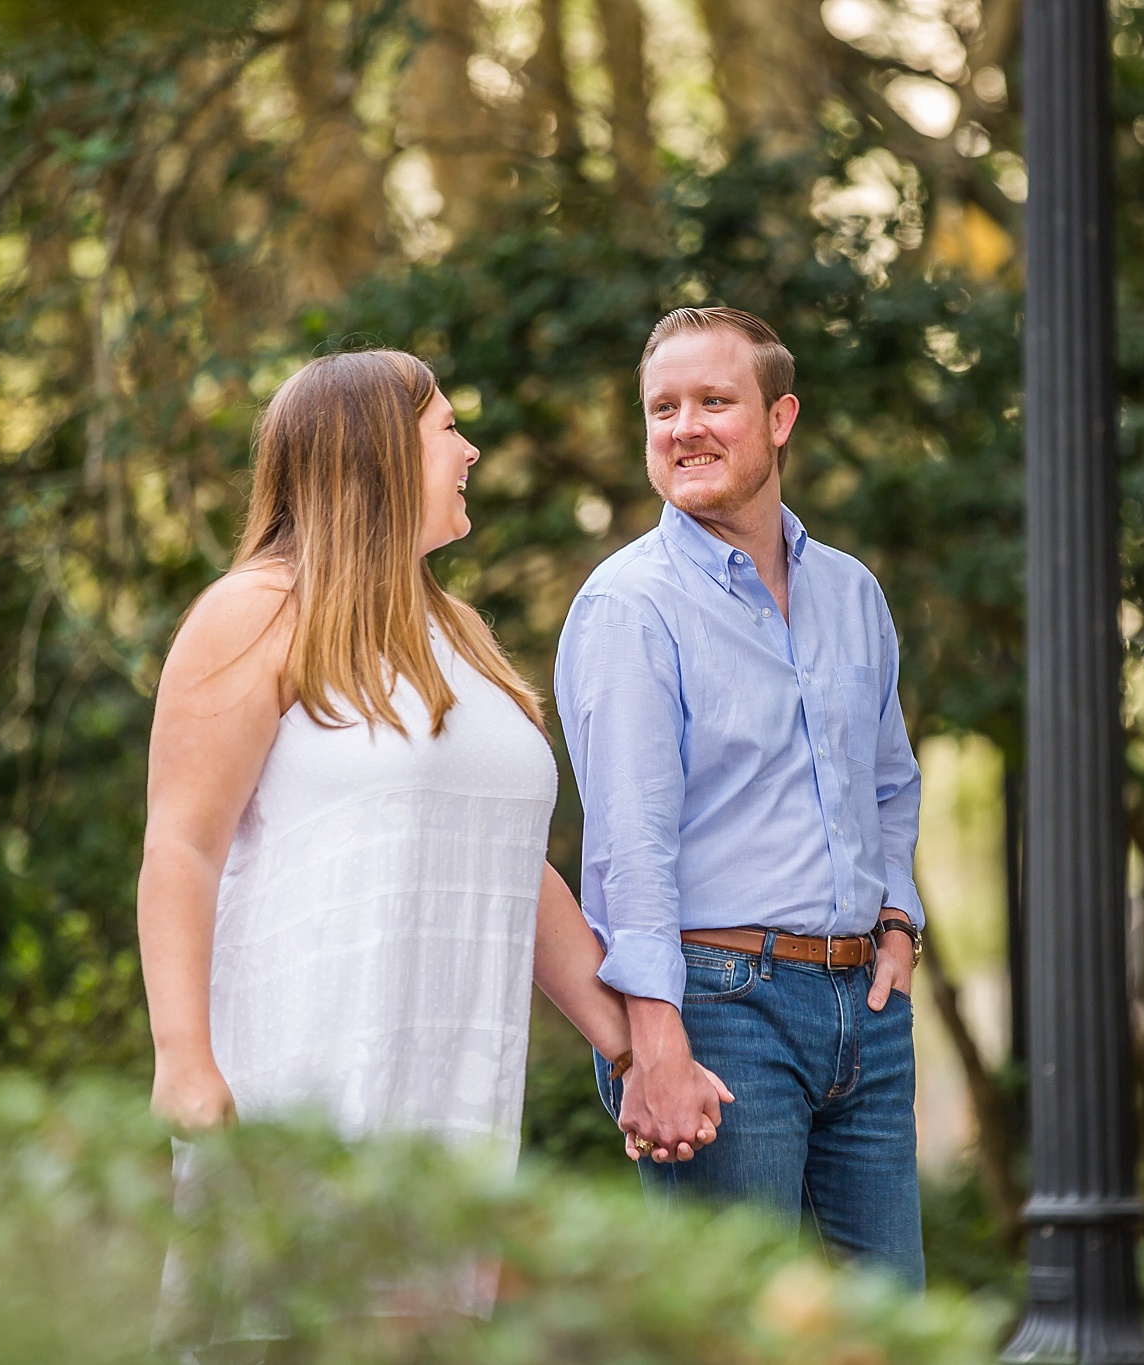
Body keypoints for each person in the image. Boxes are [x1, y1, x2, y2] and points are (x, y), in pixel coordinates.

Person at [135, 350, 729, 1335]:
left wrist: (632, 1049)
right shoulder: (253, 613)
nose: (471, 450)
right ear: (374, 454)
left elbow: (510, 866)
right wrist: (183, 1059)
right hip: (298, 1099)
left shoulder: (453, 631)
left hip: (446, 1117)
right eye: (447, 430)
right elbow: (180, 850)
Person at [555, 307, 928, 1287]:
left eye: (713, 402)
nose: (683, 428)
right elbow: (627, 849)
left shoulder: (851, 593)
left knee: (891, 1335)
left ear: (780, 418)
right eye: (661, 408)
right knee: (733, 1331)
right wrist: (655, 1041)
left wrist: (897, 913)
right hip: (718, 1007)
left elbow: (888, 780)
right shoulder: (630, 606)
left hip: (867, 1011)